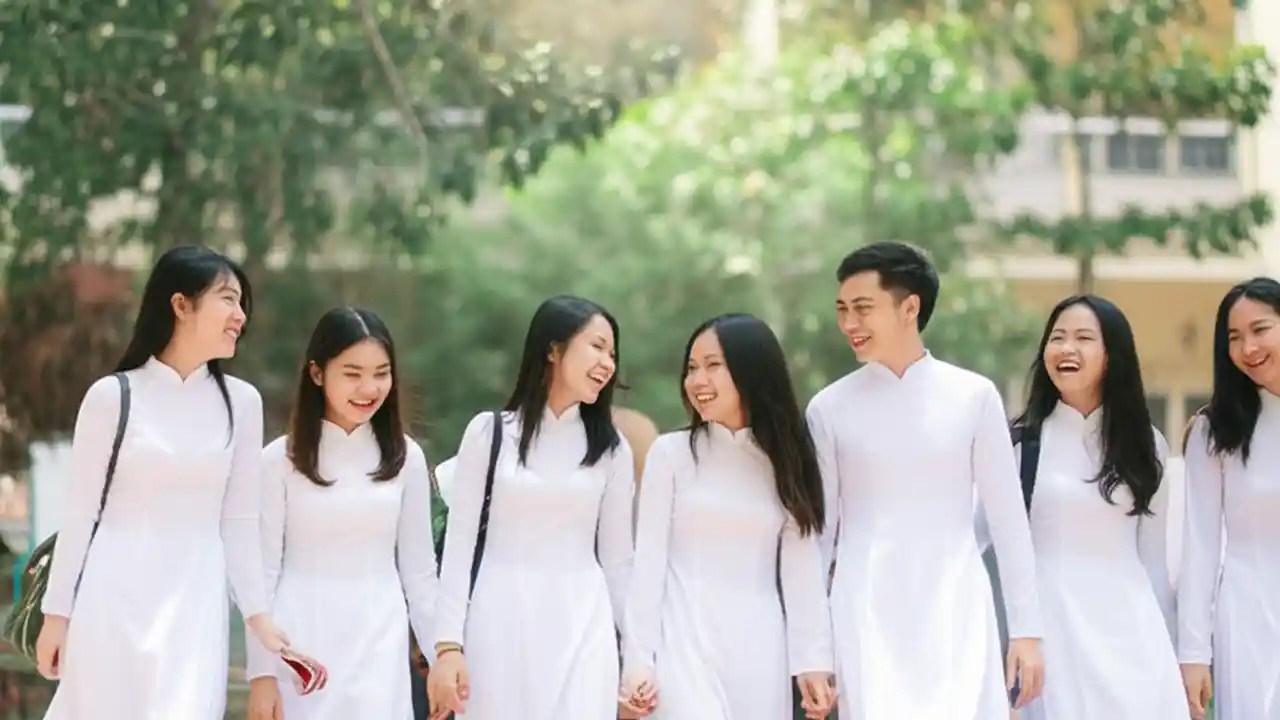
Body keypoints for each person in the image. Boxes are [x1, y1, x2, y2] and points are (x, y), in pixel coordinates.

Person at [34, 245, 293, 719]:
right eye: (228, 299)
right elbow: (81, 515)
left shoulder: (241, 404)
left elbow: (239, 524)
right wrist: (56, 616)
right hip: (111, 601)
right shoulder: (113, 397)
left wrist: (259, 617)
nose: (240, 316)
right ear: (180, 304)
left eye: (242, 304)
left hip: (195, 607)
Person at [804, 241, 1045, 719]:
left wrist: (1027, 632)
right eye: (842, 310)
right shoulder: (829, 408)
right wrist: (813, 651)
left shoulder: (973, 396)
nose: (849, 323)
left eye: (862, 308)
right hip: (865, 612)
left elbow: (1008, 522)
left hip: (957, 608)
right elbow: (819, 539)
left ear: (909, 307)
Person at [428, 295, 635, 719]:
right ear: (553, 349)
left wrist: (638, 657)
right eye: (597, 346)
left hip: (583, 627)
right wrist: (448, 646)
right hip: (498, 624)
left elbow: (618, 563)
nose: (608, 363)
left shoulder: (612, 450)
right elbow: (460, 546)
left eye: (612, 354)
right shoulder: (489, 434)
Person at [620, 314, 835, 719]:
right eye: (691, 368)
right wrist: (637, 662)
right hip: (681, 643)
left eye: (712, 366)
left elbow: (802, 571)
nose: (697, 380)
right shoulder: (672, 455)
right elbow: (648, 565)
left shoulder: (788, 463)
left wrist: (813, 661)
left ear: (751, 370)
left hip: (760, 651)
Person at [245, 308, 437, 719]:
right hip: (301, 642)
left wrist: (441, 660)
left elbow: (420, 574)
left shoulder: (406, 458)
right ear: (317, 373)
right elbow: (261, 573)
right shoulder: (278, 460)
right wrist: (261, 675)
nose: (369, 388)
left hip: (380, 642)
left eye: (381, 373)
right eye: (352, 374)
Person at [1004, 295, 1184, 719]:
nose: (1067, 348)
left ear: (1112, 355)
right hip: (1052, 633)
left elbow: (1154, 564)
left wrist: (1174, 654)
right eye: (1057, 338)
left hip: (1133, 634)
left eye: (1084, 338)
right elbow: (981, 535)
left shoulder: (1147, 445)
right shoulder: (1020, 443)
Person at [1179, 277, 1280, 720]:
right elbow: (1200, 546)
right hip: (1249, 617)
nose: (1248, 348)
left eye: (1260, 329)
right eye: (1234, 337)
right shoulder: (1215, 431)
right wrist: (1193, 653)